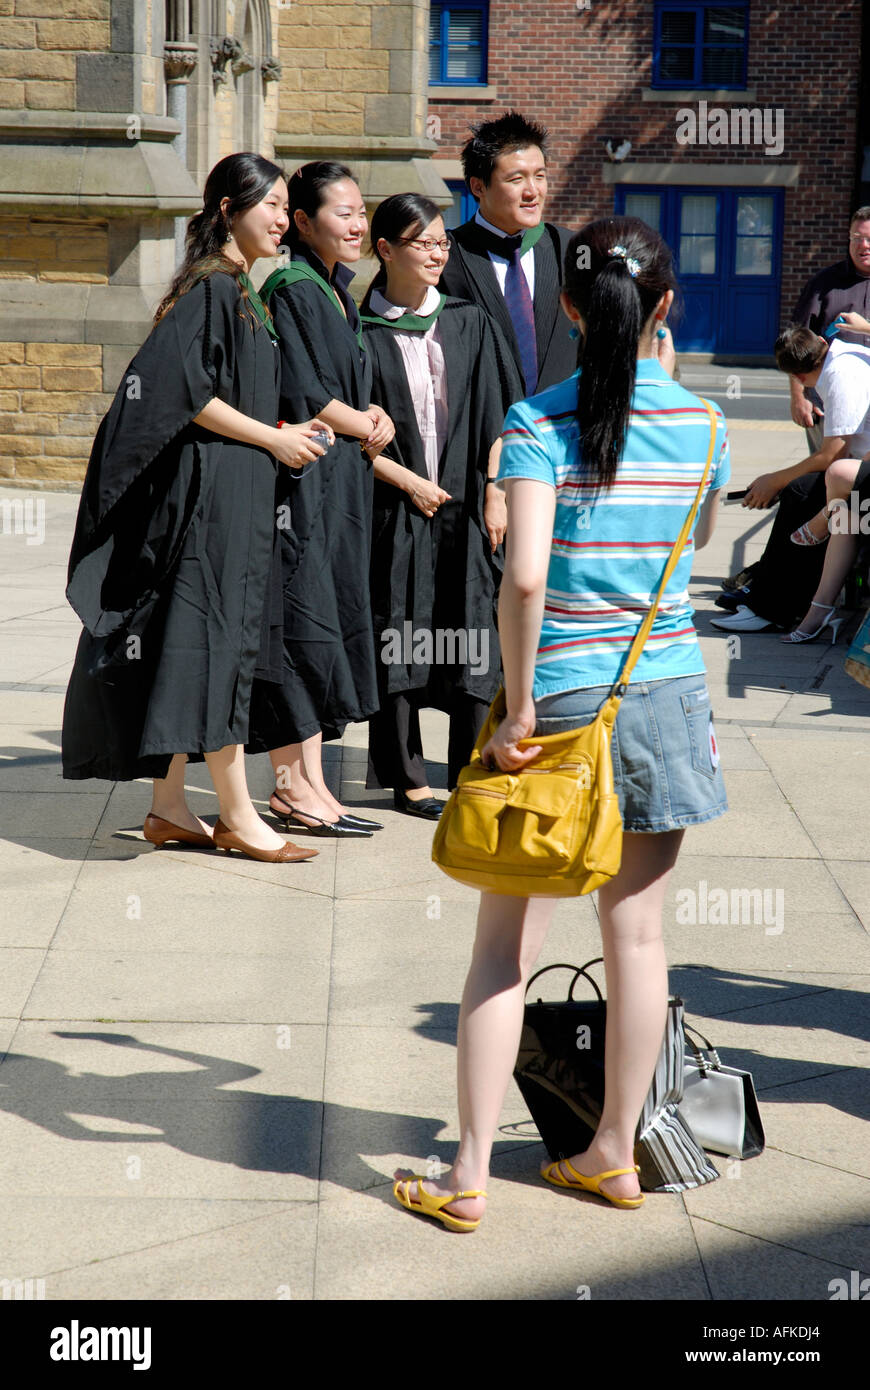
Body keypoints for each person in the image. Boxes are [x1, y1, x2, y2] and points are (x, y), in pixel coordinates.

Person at [393, 216, 729, 1231]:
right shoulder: (708, 428)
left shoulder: (536, 424)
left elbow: (527, 574)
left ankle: (469, 1176)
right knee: (638, 936)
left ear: (571, 310)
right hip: (665, 698)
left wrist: (522, 702)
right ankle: (613, 1153)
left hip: (562, 706)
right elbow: (695, 539)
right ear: (663, 308)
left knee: (506, 947)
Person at [62, 153, 329, 863]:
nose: (281, 216)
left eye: (283, 205)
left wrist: (285, 434)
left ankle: (170, 807)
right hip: (212, 500)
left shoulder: (241, 289)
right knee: (217, 647)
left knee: (193, 646)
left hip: (235, 494)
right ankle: (238, 816)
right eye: (268, 204)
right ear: (225, 211)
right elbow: (185, 393)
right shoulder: (215, 289)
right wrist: (273, 437)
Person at [359, 194, 523, 817]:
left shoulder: (466, 321)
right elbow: (348, 434)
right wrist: (410, 483)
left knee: (470, 625)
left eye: (441, 244)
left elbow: (499, 414)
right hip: (394, 504)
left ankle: (468, 764)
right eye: (421, 243)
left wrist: (495, 490)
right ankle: (407, 777)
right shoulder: (361, 329)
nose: (436, 254)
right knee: (400, 626)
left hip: (465, 502)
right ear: (386, 249)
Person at [248, 161, 392, 839]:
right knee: (299, 629)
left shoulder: (337, 291)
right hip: (301, 491)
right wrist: (365, 423)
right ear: (303, 223)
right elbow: (304, 394)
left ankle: (310, 784)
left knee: (322, 626)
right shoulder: (294, 287)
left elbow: (339, 387)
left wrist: (371, 413)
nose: (359, 225)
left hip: (338, 488)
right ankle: (290, 788)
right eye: (344, 213)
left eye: (362, 212)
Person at [711, 322, 870, 635]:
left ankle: (771, 607)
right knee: (802, 490)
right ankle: (768, 595)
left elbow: (832, 456)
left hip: (859, 474)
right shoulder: (845, 354)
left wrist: (775, 479)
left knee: (800, 491)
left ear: (798, 376)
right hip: (860, 469)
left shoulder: (840, 376)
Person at [438, 110, 577, 398]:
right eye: (516, 179)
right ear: (478, 186)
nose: (533, 191)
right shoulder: (444, 258)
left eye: (539, 176)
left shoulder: (574, 251)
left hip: (565, 431)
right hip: (482, 438)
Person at [789, 207, 870, 453]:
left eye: (869, 239)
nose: (863, 245)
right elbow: (797, 344)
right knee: (825, 476)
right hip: (827, 402)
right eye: (856, 238)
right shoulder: (823, 285)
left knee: (861, 482)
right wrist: (798, 396)